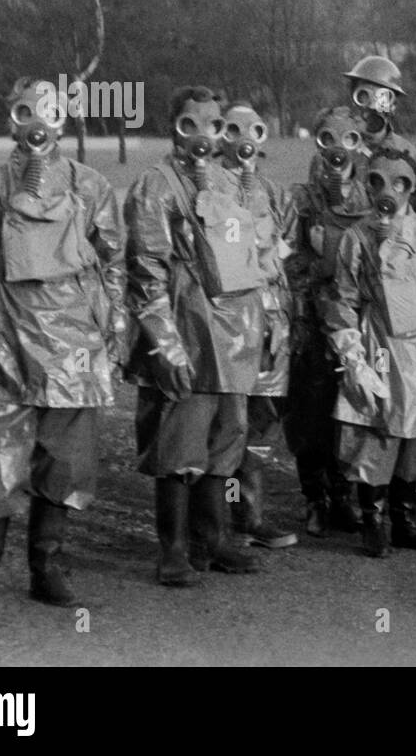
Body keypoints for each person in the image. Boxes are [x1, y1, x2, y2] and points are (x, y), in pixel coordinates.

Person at [0, 77, 127, 631]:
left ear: (66, 121)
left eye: (50, 113)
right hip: (8, 349)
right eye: (26, 111)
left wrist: (113, 327)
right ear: (11, 119)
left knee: (65, 466)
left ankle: (46, 567)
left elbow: (113, 264)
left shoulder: (91, 186)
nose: (38, 124)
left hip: (75, 349)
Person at [126, 86, 268, 586]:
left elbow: (252, 260)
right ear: (174, 126)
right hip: (187, 329)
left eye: (216, 125)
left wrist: (258, 333)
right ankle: (173, 550)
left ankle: (214, 539)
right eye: (193, 123)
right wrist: (165, 345)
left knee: (226, 442)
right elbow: (145, 273)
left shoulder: (231, 185)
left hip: (233, 335)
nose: (205, 136)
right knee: (179, 447)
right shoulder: (155, 185)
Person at [325, 152, 416, 556]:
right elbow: (343, 299)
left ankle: (404, 519)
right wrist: (353, 356)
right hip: (379, 342)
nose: (388, 192)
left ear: (411, 186)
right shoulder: (356, 238)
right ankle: (373, 519)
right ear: (367, 185)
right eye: (377, 182)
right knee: (378, 430)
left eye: (400, 183)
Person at [281, 107, 371, 536]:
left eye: (348, 138)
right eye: (328, 137)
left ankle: (346, 493)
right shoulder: (300, 200)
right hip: (312, 319)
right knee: (310, 412)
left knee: (351, 410)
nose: (338, 148)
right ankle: (314, 497)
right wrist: (314, 269)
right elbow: (282, 262)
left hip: (356, 320)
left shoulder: (373, 196)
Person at [219, 103, 297, 548]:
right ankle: (219, 525)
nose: (243, 140)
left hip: (272, 325)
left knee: (262, 426)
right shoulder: (207, 190)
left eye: (253, 131)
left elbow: (286, 257)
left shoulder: (275, 194)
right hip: (230, 325)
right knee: (228, 424)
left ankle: (249, 517)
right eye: (233, 129)